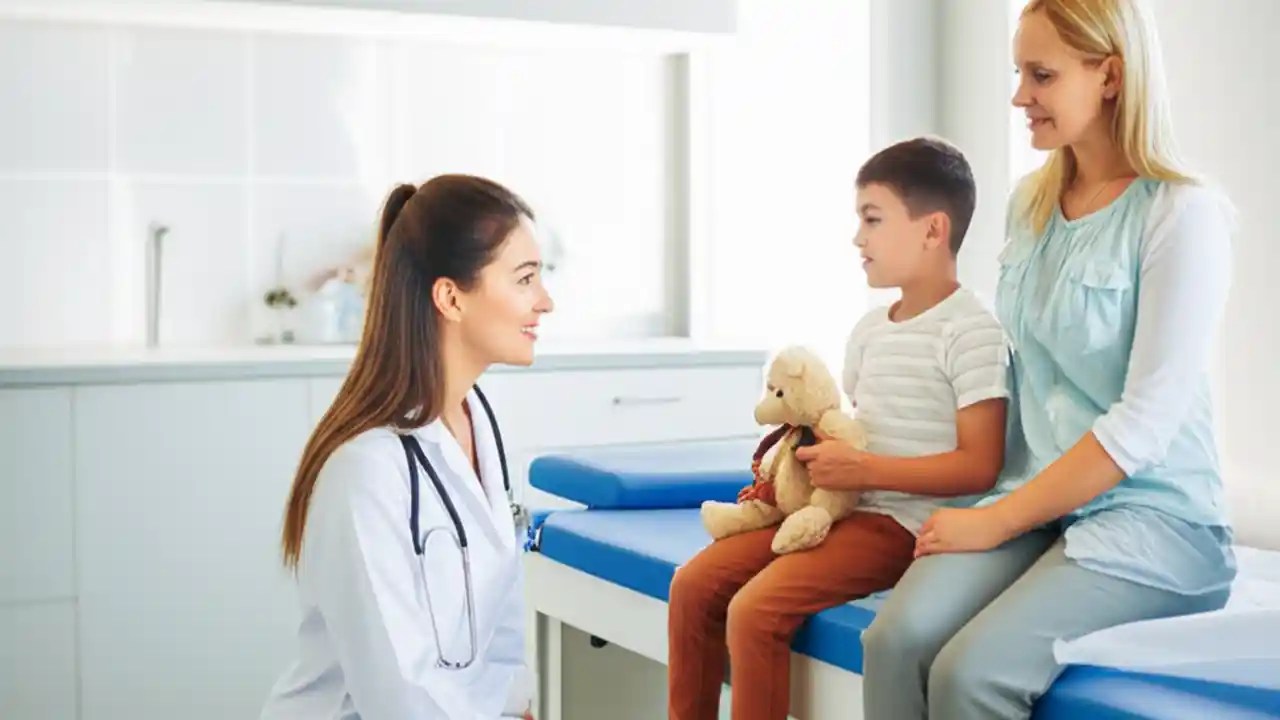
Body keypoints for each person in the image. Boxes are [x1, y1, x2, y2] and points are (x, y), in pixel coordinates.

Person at [861, 2, 1238, 719]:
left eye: (1041, 75)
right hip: (1038, 501)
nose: (1018, 96)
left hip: (1155, 525)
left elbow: (1144, 424)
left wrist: (992, 523)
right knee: (894, 640)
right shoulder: (1031, 205)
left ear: (1111, 77)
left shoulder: (1181, 214)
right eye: (1017, 73)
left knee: (969, 675)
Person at [666, 137, 1012, 720]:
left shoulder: (972, 331)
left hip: (903, 526)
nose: (858, 238)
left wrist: (865, 470)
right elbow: (857, 426)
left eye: (872, 220)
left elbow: (981, 464)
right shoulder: (870, 329)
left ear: (932, 230)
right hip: (847, 510)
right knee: (694, 584)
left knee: (754, 611)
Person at [260, 175, 554, 720]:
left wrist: (523, 704)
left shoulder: (477, 421)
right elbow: (398, 697)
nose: (546, 302)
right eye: (525, 279)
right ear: (450, 297)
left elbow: (500, 622)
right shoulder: (365, 469)